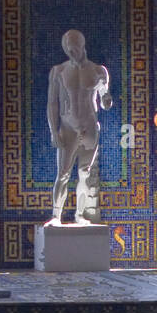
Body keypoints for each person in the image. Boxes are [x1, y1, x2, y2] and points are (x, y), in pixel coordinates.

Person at [47, 30, 112, 223]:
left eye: (74, 48)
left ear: (82, 46)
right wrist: (53, 130)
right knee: (63, 173)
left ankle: (80, 215)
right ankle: (56, 215)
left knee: (85, 174)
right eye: (67, 49)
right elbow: (52, 103)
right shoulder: (59, 71)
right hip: (67, 127)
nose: (71, 52)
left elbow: (104, 98)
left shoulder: (99, 71)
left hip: (90, 126)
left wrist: (107, 100)